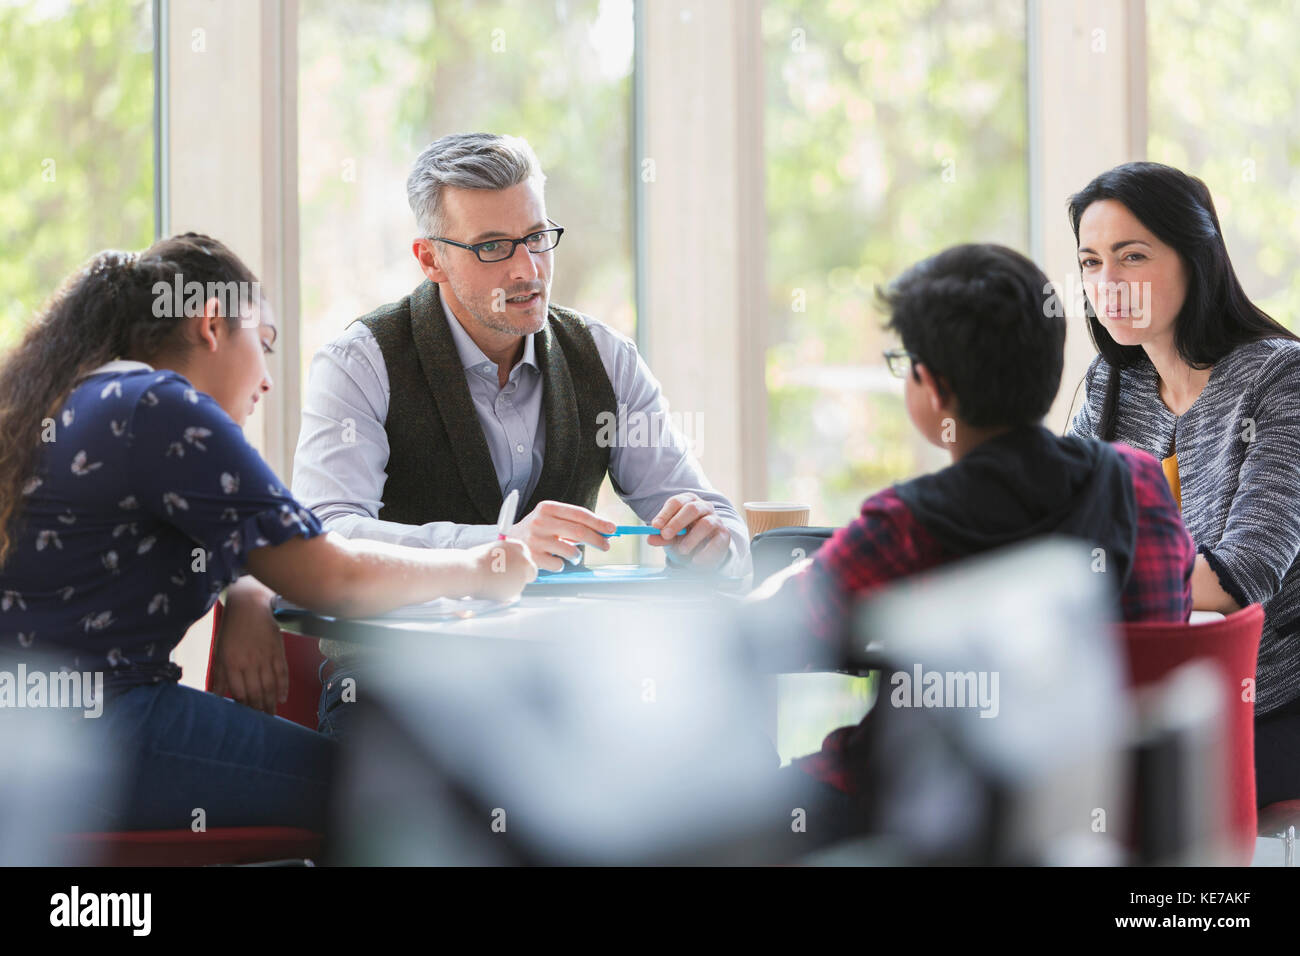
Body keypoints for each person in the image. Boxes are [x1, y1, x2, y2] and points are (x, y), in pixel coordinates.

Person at [0, 234, 536, 833]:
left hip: (32, 737)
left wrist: (248, 592)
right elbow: (331, 575)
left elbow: (238, 539)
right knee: (388, 796)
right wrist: (479, 568)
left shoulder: (69, 400)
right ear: (210, 324)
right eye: (264, 344)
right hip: (106, 733)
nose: (267, 382)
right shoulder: (162, 408)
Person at [292, 133, 750, 732]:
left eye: (536, 238)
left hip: (564, 683)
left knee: (717, 729)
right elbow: (326, 540)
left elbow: (718, 524)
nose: (527, 269)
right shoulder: (360, 364)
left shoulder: (606, 359)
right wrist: (497, 548)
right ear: (430, 259)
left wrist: (711, 544)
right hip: (401, 684)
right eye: (492, 248)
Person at [747, 242, 1195, 835]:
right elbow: (1163, 626)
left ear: (931, 387)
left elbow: (773, 642)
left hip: (932, 823)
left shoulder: (904, 527)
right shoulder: (1138, 483)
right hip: (1109, 815)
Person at [1064, 161, 1300, 807]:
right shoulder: (1115, 383)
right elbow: (1056, 524)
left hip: (1271, 701)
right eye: (1090, 262)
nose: (1107, 284)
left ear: (1196, 257)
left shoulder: (1281, 379)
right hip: (1149, 692)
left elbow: (1241, 574)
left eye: (1131, 256)